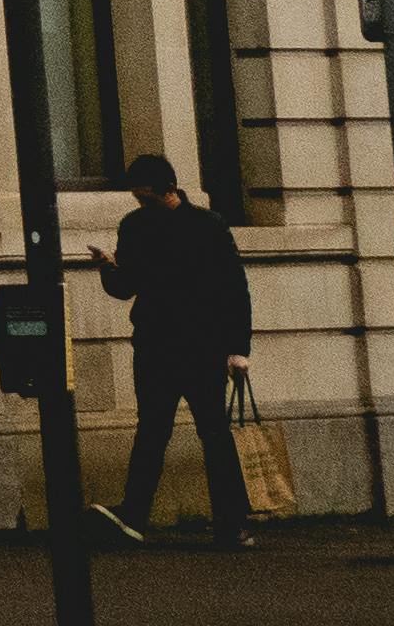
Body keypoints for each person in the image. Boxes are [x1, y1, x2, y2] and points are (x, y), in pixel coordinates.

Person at [97, 152, 255, 549]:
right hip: (167, 343)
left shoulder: (204, 226)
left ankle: (224, 522)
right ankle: (142, 517)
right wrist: (108, 267)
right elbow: (125, 287)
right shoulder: (140, 225)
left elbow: (234, 289)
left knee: (203, 432)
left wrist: (238, 349)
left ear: (168, 188)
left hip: (189, 345)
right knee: (161, 431)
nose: (140, 204)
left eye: (145, 196)